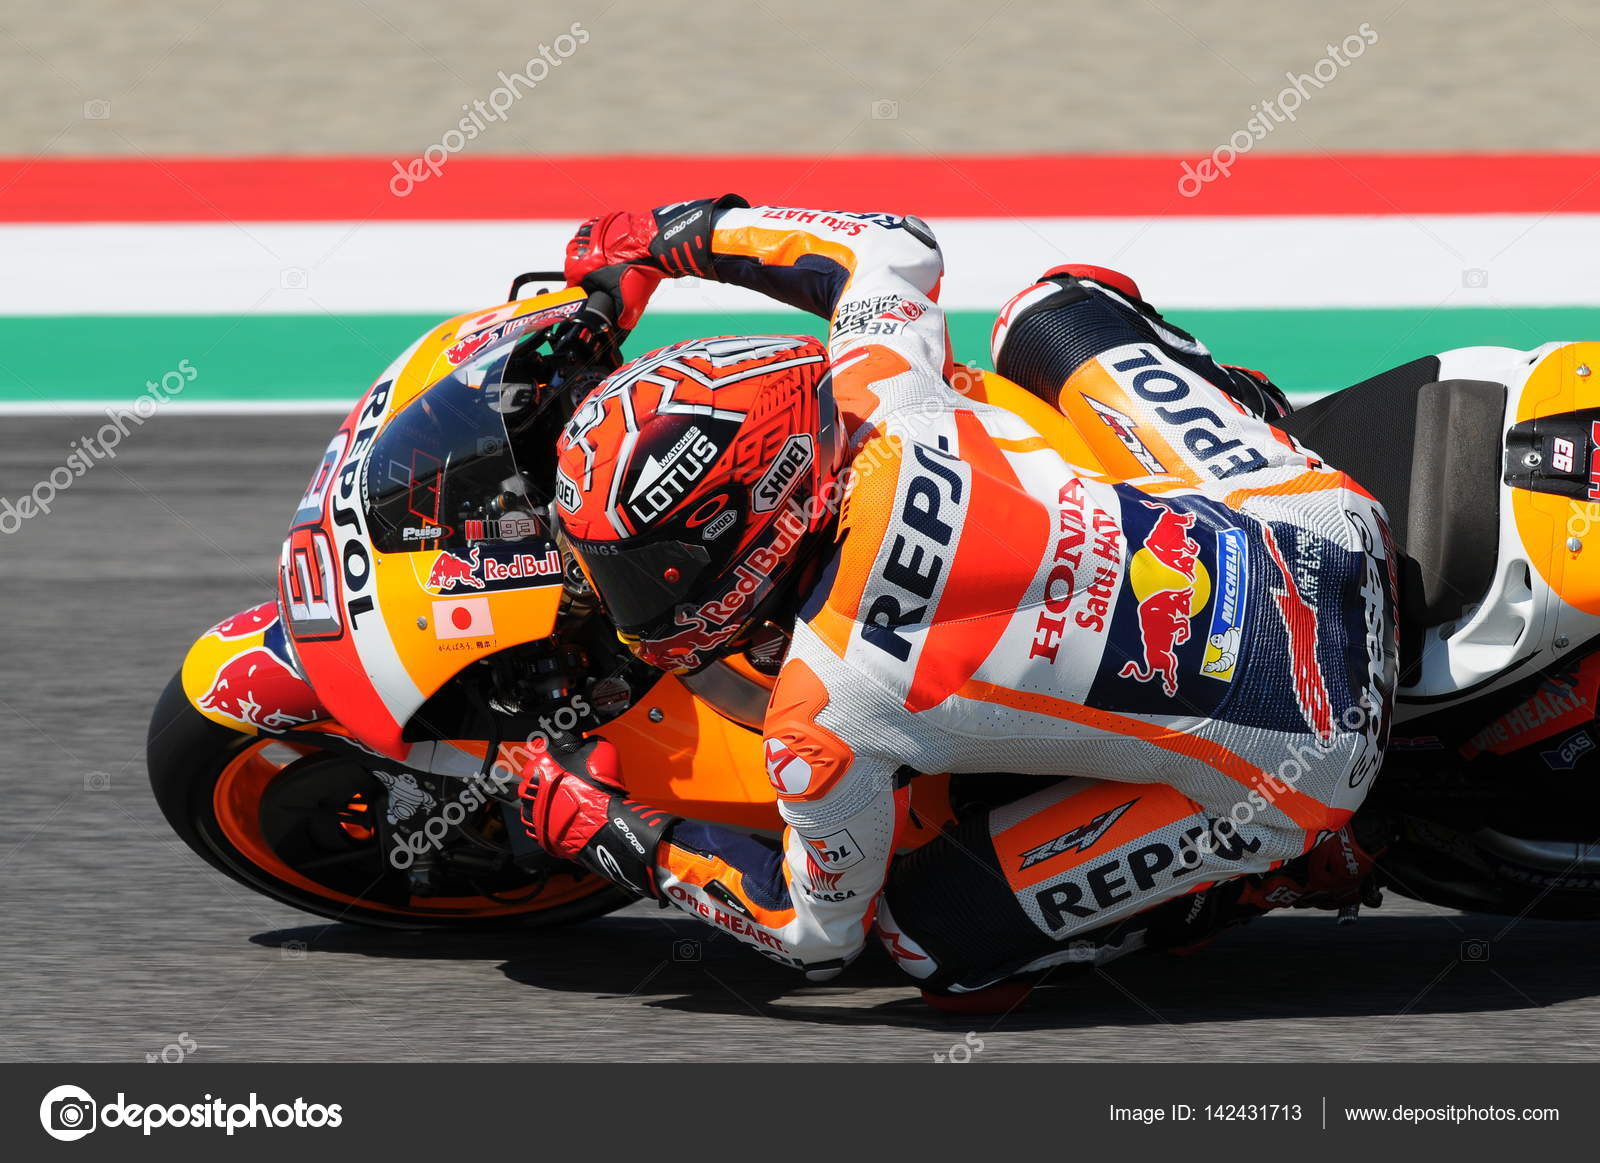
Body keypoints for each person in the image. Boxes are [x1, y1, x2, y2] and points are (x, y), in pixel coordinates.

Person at [516, 195, 1399, 997]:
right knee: (1050, 310)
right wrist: (679, 239)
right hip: (1328, 522)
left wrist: (629, 840)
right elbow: (885, 245)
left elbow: (814, 935)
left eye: (642, 570)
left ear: (755, 532)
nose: (619, 593)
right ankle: (1259, 415)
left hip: (1312, 759)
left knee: (920, 941)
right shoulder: (878, 396)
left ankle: (1265, 874)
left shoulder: (818, 715)